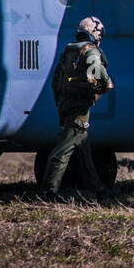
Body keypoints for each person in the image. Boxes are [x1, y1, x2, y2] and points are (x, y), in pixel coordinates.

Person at [41, 16, 118, 201]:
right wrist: (103, 86)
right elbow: (97, 74)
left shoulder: (69, 51)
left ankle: (98, 189)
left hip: (66, 104)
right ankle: (48, 192)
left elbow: (56, 81)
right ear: (95, 35)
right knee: (64, 149)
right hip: (79, 107)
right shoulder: (90, 52)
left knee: (84, 150)